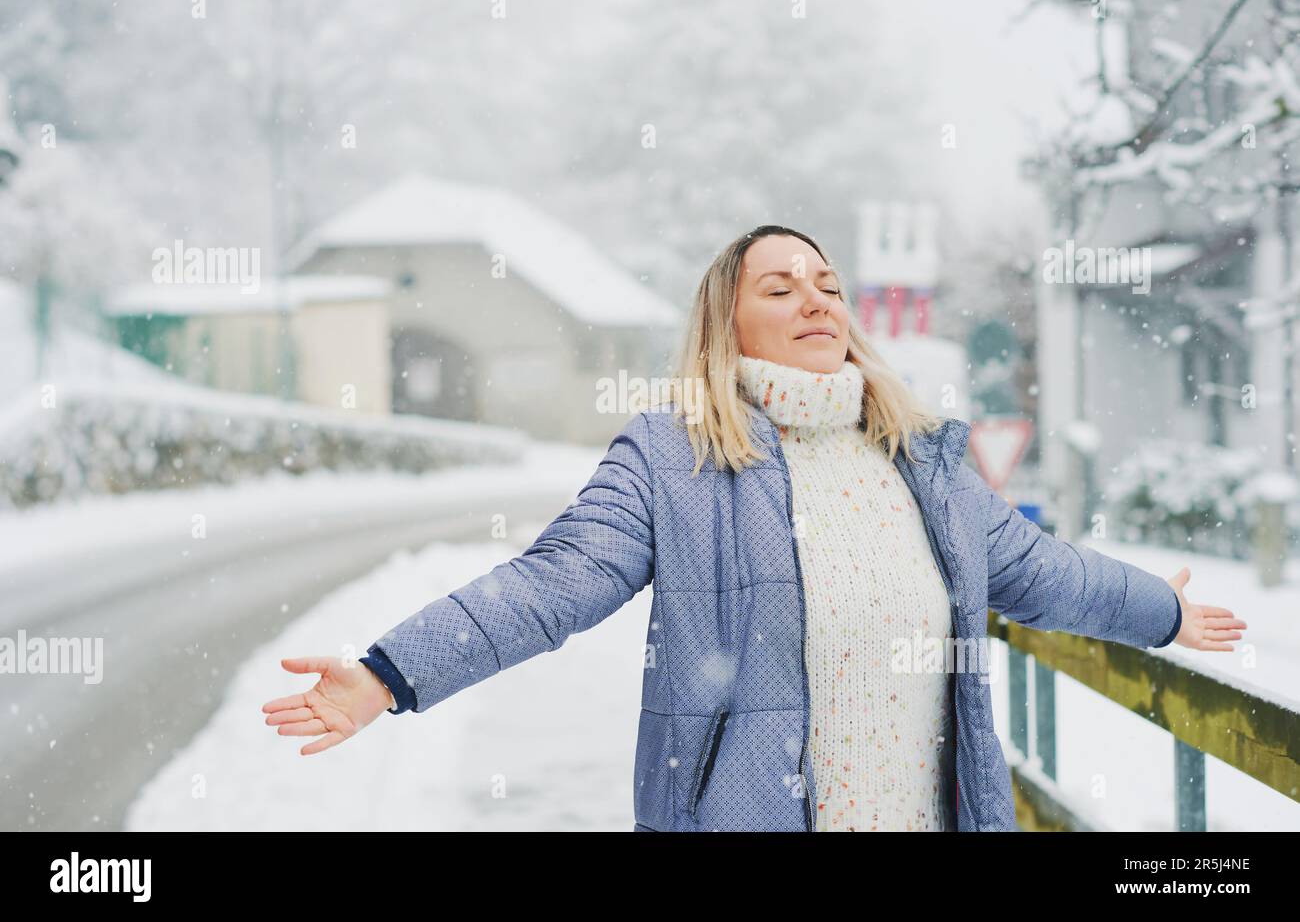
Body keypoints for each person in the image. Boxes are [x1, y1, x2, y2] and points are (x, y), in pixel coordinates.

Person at [261, 224, 1246, 831]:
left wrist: (1161, 608)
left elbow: (1042, 571)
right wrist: (391, 674)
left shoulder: (924, 457)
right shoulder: (671, 458)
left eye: (823, 283)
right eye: (778, 287)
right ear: (725, 326)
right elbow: (551, 582)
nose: (813, 298)